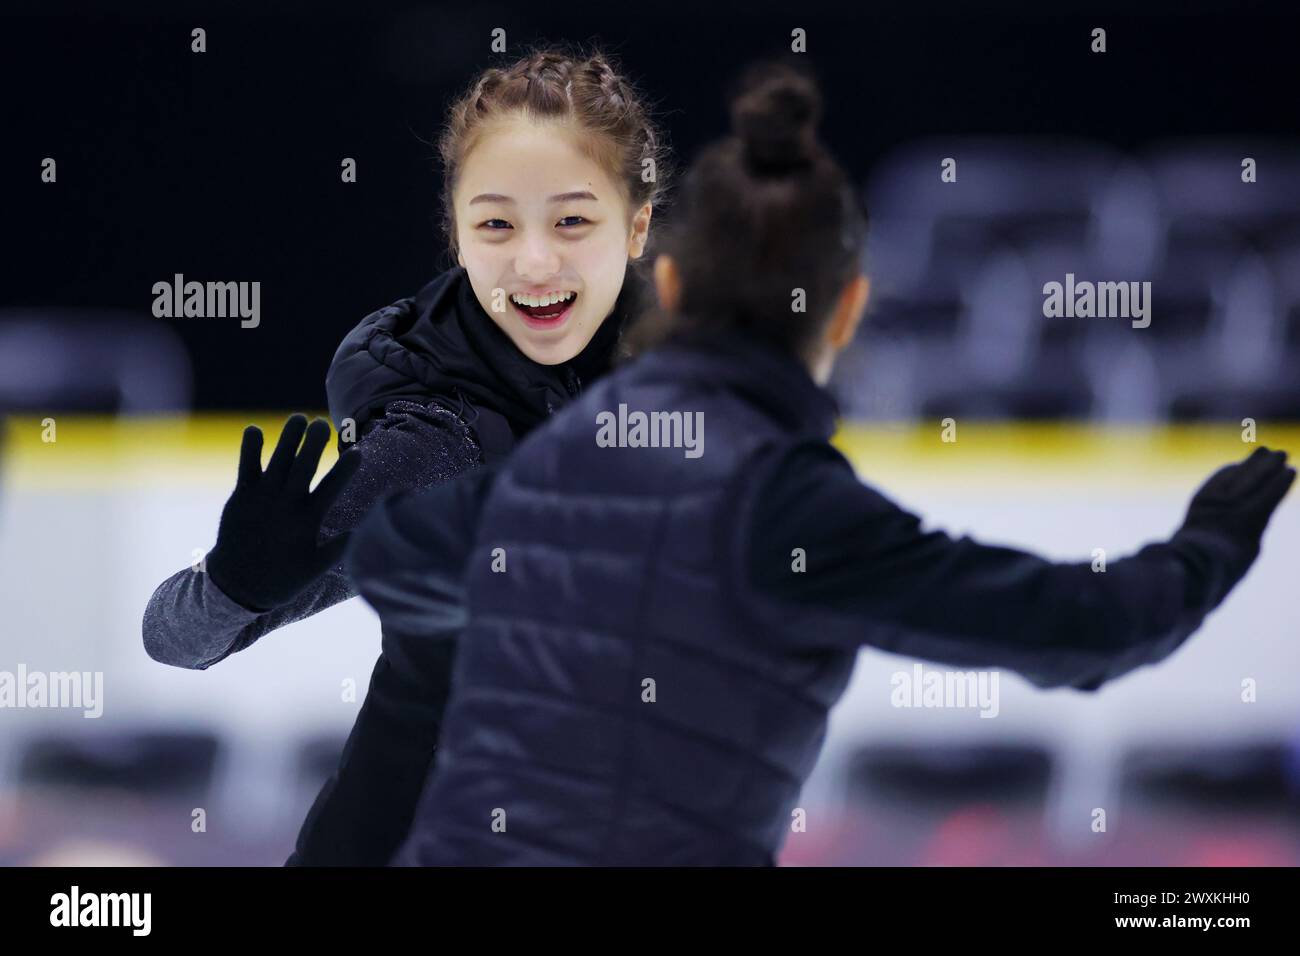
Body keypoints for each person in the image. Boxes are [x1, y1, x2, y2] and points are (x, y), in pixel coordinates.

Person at [341, 58, 1296, 866]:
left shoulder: (548, 463)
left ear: (666, 281)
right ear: (846, 311)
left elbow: (389, 556)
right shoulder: (793, 508)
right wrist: (1212, 540)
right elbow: (1086, 631)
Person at [140, 44, 672, 864]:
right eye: (496, 223)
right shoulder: (439, 441)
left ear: (635, 226)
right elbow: (174, 639)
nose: (534, 261)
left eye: (571, 219)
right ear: (457, 236)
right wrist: (236, 584)